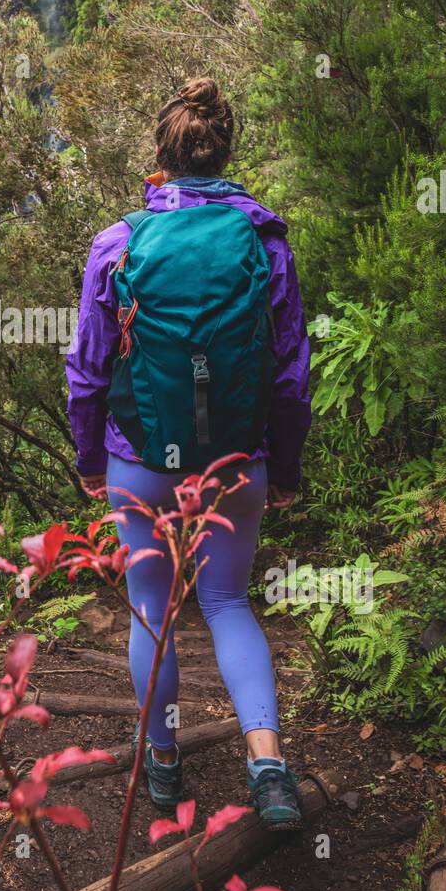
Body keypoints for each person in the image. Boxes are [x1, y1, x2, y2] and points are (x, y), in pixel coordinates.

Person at [65, 78, 311, 827]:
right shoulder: (264, 240)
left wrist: (89, 460)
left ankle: (165, 765)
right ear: (226, 151)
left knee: (151, 609)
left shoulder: (119, 242)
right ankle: (268, 767)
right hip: (236, 461)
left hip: (139, 458)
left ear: (160, 161)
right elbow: (292, 371)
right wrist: (285, 468)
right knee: (230, 602)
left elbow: (87, 371)